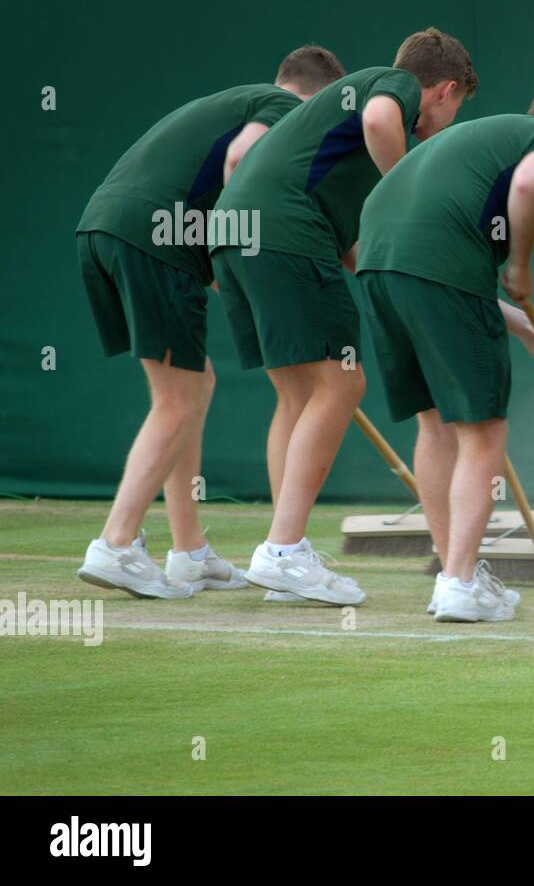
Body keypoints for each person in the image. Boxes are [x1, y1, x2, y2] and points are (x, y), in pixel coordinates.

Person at [210, 28, 475, 606]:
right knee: (343, 380)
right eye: (455, 108)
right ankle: (282, 551)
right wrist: (413, 195)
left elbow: (350, 249)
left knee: (298, 397)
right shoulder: (395, 86)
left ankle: (284, 555)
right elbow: (381, 119)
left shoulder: (335, 142)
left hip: (236, 232)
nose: (446, 121)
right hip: (284, 232)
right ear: (445, 90)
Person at [75, 46, 345, 599]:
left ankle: (190, 552)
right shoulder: (281, 107)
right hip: (154, 237)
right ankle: (116, 544)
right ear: (313, 97)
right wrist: (245, 246)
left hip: (106, 230)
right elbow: (241, 159)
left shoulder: (230, 100)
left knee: (191, 387)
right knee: (179, 399)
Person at [357, 74, 534, 622]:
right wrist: (519, 264)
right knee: (484, 431)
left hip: (377, 260)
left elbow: (435, 266)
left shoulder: (481, 136)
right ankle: (459, 580)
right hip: (434, 270)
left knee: (435, 423)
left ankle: (456, 570)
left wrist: (524, 327)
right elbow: (529, 185)